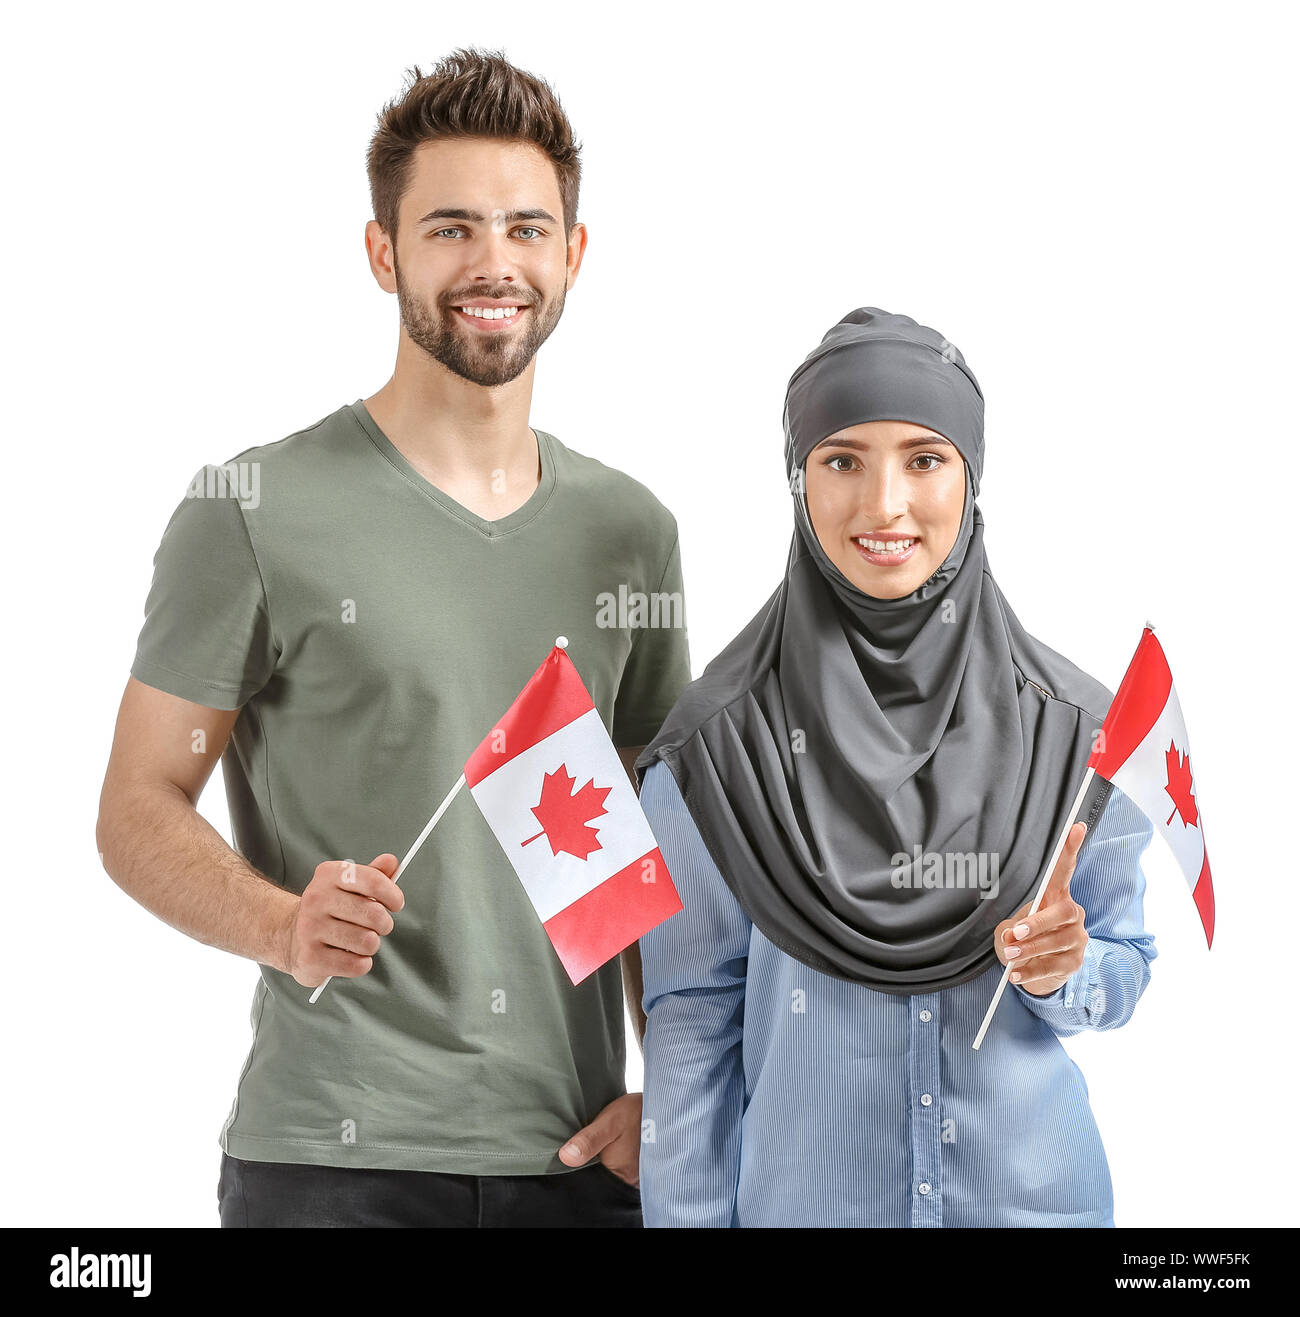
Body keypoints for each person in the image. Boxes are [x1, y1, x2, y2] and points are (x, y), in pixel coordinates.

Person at [95, 48, 690, 1228]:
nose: (493, 263)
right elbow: (133, 808)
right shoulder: (252, 509)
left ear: (572, 256)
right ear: (384, 252)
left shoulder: (632, 534)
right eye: (452, 227)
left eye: (527, 228)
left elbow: (639, 848)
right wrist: (282, 923)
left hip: (578, 1168)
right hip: (330, 1164)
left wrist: (674, 1082)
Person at [633, 307, 1156, 1228]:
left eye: (924, 458)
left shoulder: (1079, 734)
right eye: (842, 460)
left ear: (971, 476)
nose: (883, 506)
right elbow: (690, 1034)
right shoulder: (717, 751)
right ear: (797, 481)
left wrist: (1064, 970)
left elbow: (1123, 973)